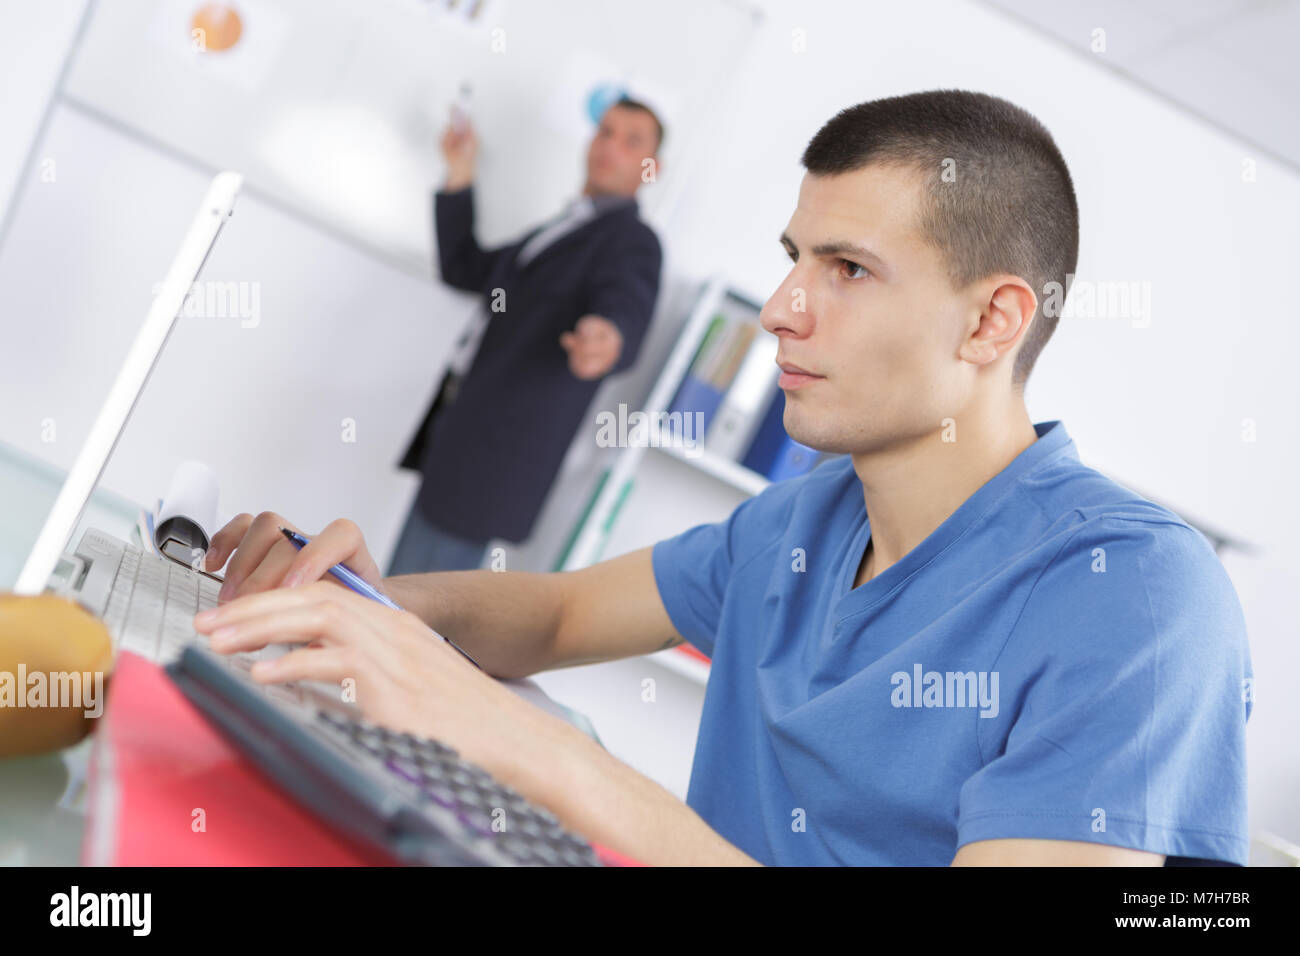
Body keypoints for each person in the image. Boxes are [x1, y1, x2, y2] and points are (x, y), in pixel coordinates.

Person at [198, 90, 1252, 867]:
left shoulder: (1134, 591)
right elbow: (559, 615)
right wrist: (360, 602)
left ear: (991, 320)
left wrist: (528, 748)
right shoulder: (807, 515)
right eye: (794, 257)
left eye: (845, 268)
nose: (782, 307)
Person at [388, 97, 665, 574]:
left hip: (494, 465)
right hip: (459, 440)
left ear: (651, 167)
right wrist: (459, 170)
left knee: (404, 612)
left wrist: (608, 339)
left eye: (631, 141)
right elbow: (465, 268)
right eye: (605, 132)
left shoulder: (632, 241)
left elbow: (626, 311)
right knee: (394, 594)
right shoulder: (560, 228)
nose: (611, 146)